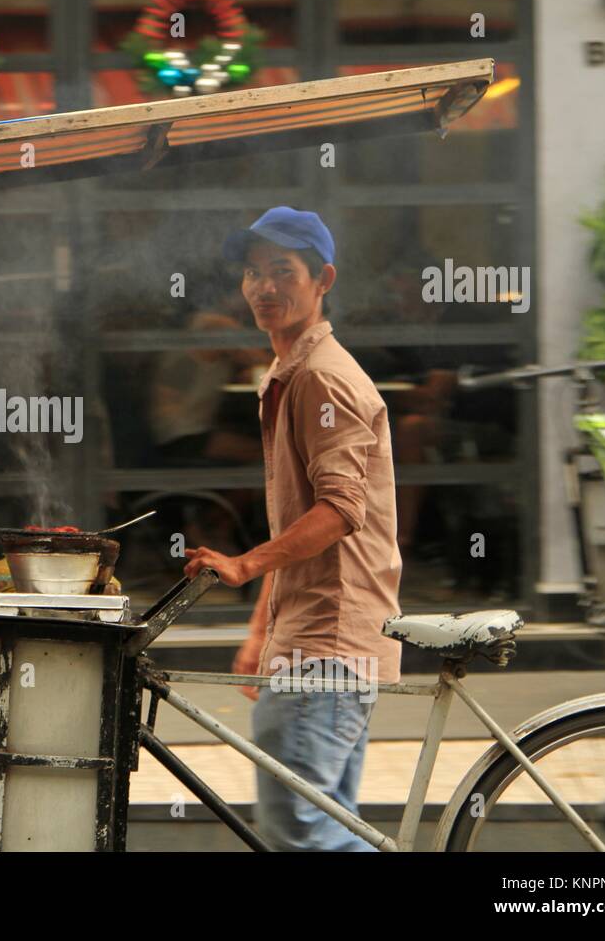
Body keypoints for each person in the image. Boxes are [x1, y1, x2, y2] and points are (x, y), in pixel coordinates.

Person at [184, 207, 403, 851]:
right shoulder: (288, 375)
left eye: (283, 270)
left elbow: (339, 511)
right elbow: (296, 523)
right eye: (253, 273)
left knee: (300, 834)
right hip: (311, 636)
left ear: (322, 279)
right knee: (325, 824)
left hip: (328, 646)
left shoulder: (321, 379)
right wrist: (261, 634)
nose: (263, 287)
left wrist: (245, 564)